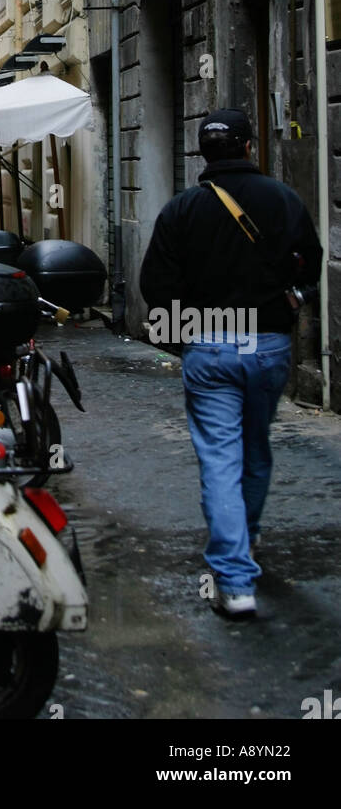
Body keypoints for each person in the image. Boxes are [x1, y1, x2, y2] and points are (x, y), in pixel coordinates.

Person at [139, 108, 322, 618]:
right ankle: (250, 537)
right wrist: (293, 296)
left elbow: (156, 287)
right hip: (266, 346)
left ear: (203, 152)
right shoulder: (283, 199)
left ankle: (236, 582)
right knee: (256, 449)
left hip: (209, 346)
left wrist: (185, 334)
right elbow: (311, 259)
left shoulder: (181, 210)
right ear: (247, 146)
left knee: (220, 458)